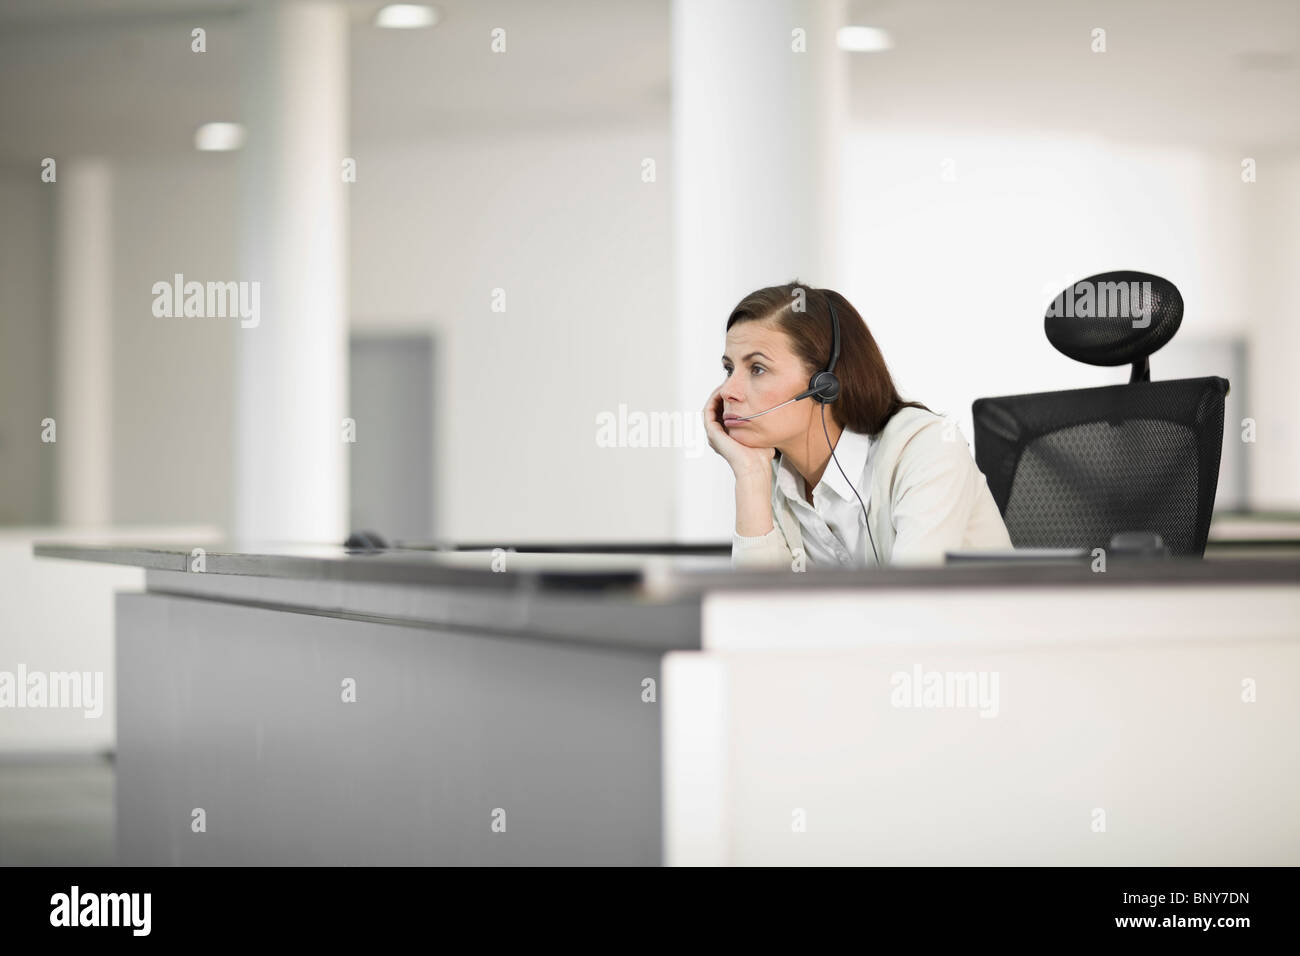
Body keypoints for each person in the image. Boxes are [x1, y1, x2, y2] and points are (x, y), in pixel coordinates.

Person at [703, 281, 1013, 569]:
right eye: (729, 369)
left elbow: (914, 609)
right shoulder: (768, 478)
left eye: (757, 368)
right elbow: (756, 617)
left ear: (823, 383)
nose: (728, 390)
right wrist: (749, 474)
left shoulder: (926, 449)